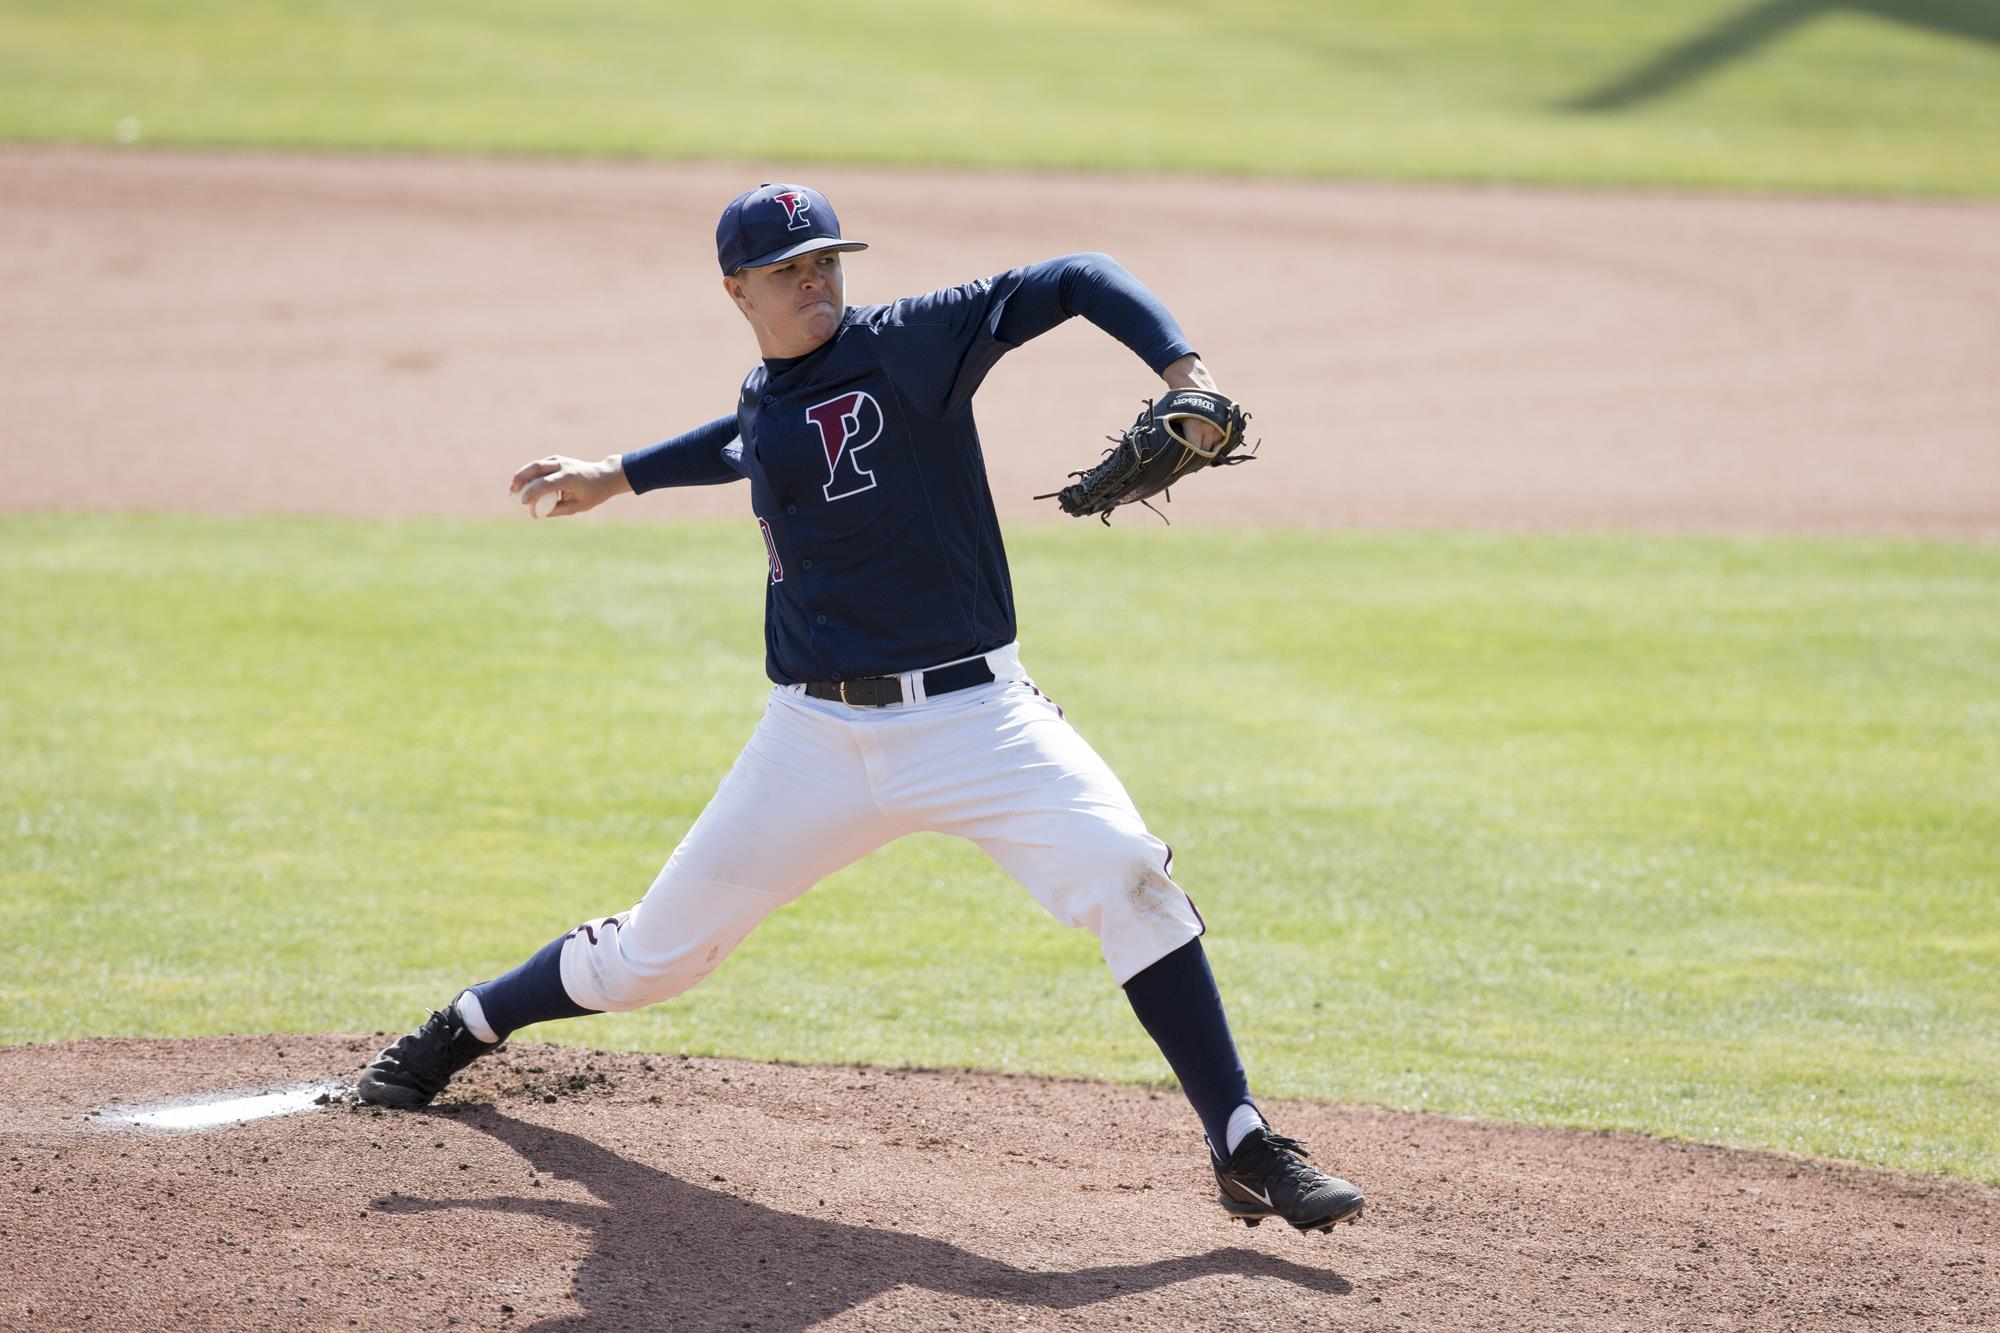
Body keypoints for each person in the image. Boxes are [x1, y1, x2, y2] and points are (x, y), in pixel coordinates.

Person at [358, 183, 1364, 1235]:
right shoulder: (769, 393)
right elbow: (752, 435)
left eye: (827, 260)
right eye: (789, 269)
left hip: (978, 722)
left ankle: (1243, 1144)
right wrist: (619, 474)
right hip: (813, 741)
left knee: (1127, 874)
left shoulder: (907, 344)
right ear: (735, 290)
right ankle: (468, 1022)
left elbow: (1073, 278)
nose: (815, 281)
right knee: (654, 957)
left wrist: (1184, 372)